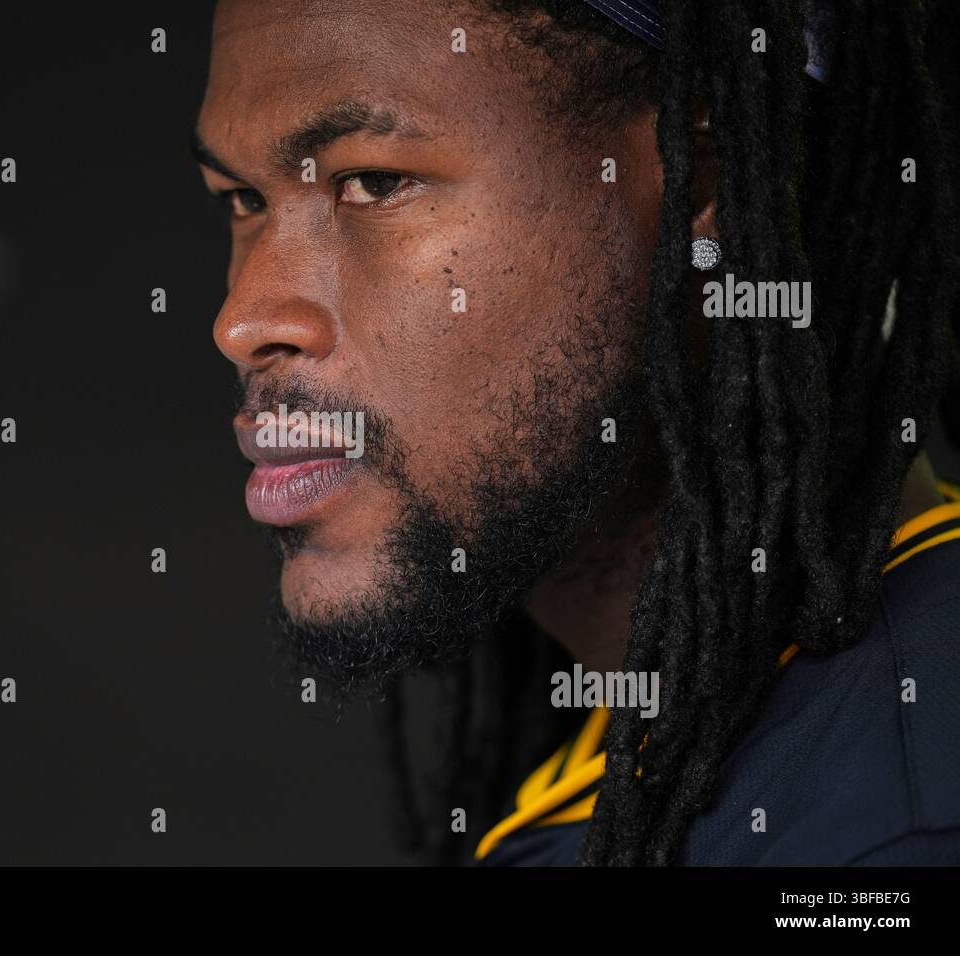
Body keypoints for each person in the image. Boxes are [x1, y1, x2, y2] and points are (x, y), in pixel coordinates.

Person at [192, 0, 960, 865]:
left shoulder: (892, 833)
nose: (244, 319)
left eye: (372, 183)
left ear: (703, 178)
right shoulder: (689, 740)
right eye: (243, 198)